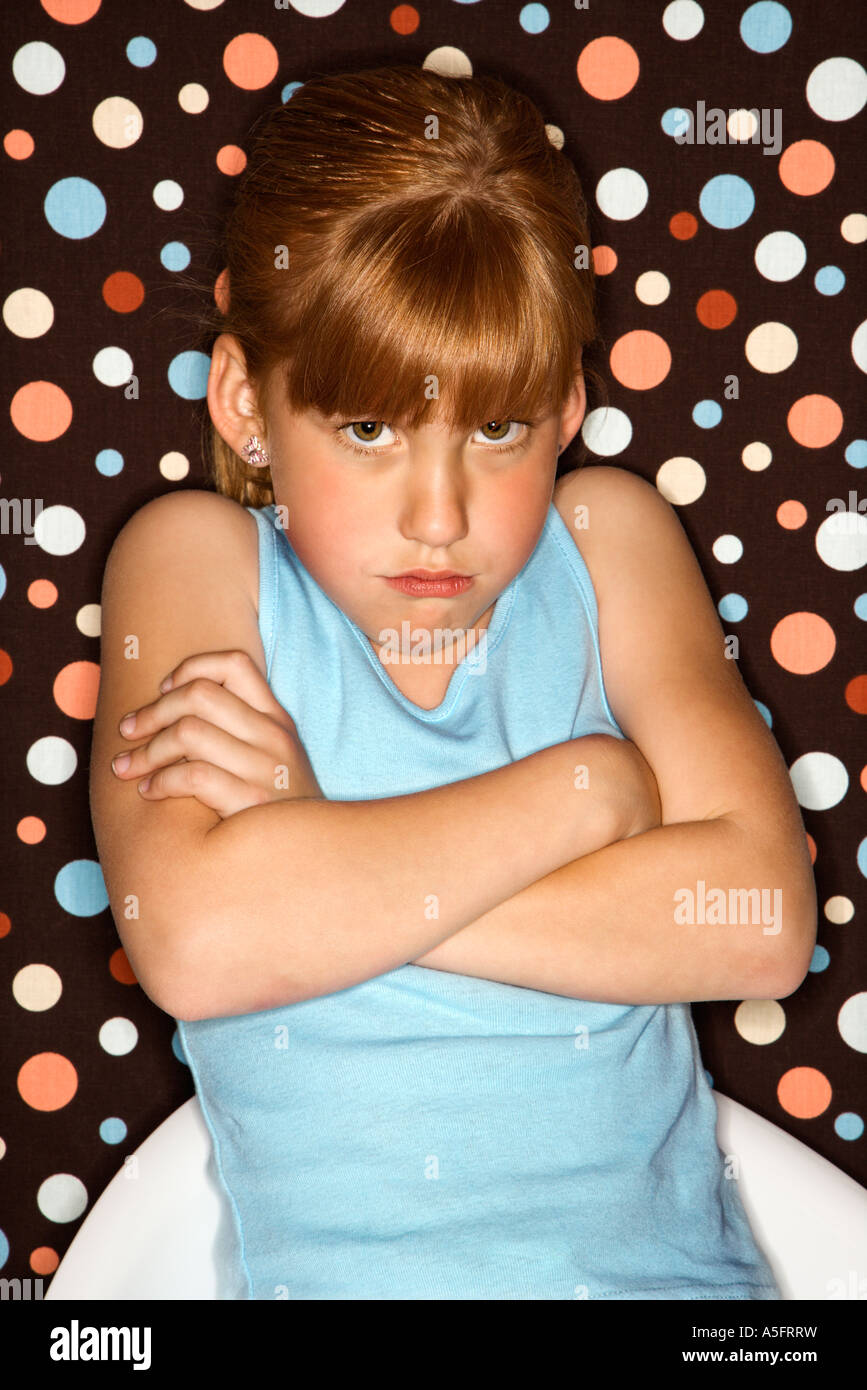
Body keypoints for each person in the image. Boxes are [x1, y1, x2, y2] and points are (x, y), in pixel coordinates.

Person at [89, 64, 816, 1299]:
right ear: (244, 402)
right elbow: (203, 943)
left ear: (570, 407)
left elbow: (758, 925)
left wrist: (317, 857)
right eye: (367, 430)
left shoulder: (607, 544)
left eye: (499, 429)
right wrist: (587, 793)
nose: (440, 517)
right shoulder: (196, 563)